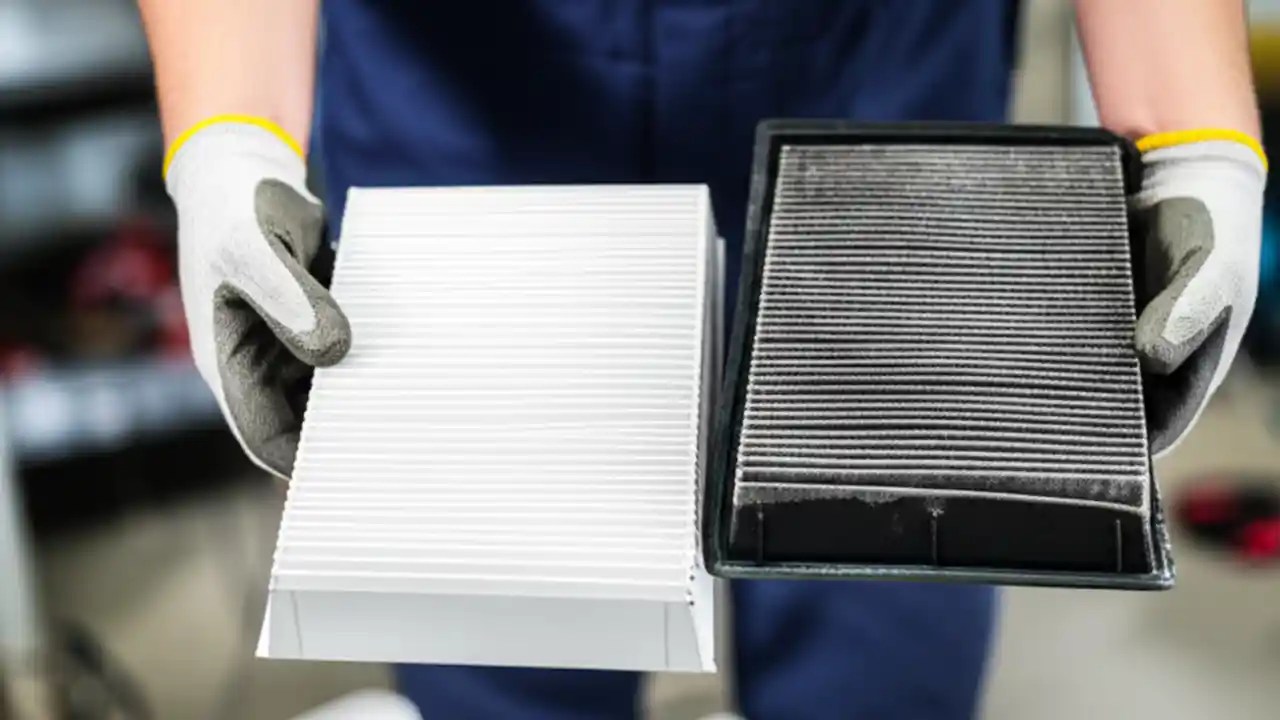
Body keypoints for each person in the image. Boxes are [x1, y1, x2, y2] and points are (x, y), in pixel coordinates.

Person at [137, 1, 1266, 718]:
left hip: (870, 87)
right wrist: (229, 142)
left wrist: (1194, 141)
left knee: (878, 634)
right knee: (506, 650)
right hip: (472, 97)